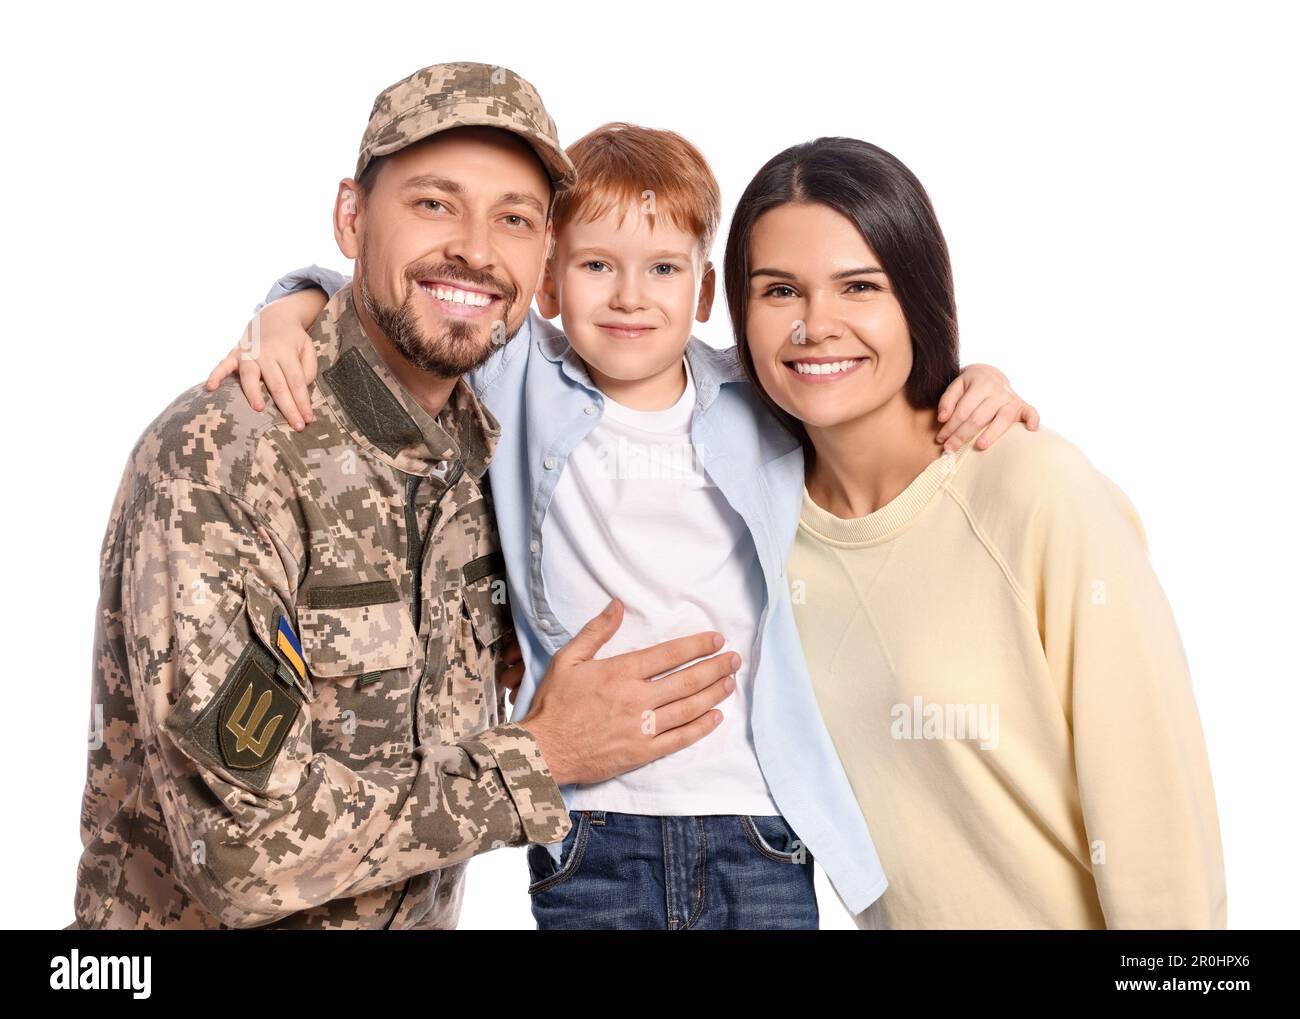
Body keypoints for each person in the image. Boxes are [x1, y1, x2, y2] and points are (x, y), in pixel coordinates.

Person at [206, 122, 1037, 927]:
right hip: (592, 825)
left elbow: (863, 394)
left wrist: (981, 380)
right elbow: (379, 290)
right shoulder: (521, 372)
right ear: (551, 285)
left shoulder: (760, 401)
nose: (632, 296)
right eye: (598, 265)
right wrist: (285, 314)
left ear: (705, 291)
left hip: (757, 821)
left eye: (664, 268)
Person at [73, 62, 742, 930]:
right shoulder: (230, 457)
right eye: (434, 203)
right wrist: (543, 754)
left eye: (515, 218)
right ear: (352, 217)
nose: (474, 247)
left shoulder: (490, 454)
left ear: (543, 254)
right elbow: (240, 846)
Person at [722, 135, 1227, 928]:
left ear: (916, 297)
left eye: (860, 286)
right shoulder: (756, 529)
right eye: (780, 291)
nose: (816, 325)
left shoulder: (1035, 489)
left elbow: (1157, 818)